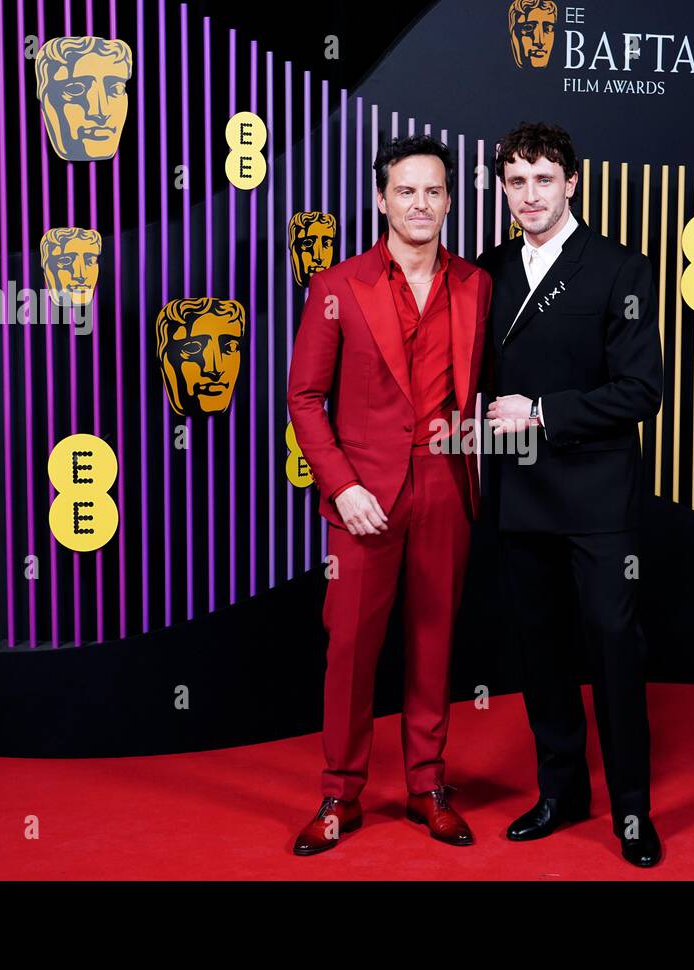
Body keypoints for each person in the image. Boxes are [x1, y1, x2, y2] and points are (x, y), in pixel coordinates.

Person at [285, 134, 492, 855]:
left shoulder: (475, 283)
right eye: (406, 190)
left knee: (433, 641)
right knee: (350, 650)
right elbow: (305, 398)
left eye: (434, 191)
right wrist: (341, 488)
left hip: (445, 485)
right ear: (380, 199)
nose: (421, 204)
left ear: (449, 199)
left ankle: (428, 786)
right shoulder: (338, 286)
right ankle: (340, 794)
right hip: (364, 499)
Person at [476, 121, 664, 866]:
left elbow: (640, 391)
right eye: (516, 182)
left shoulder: (620, 269)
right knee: (541, 648)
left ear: (572, 183)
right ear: (502, 189)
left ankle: (631, 810)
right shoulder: (486, 271)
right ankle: (561, 792)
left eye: (543, 179)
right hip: (520, 495)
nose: (530, 195)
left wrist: (543, 412)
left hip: (597, 499)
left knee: (614, 648)